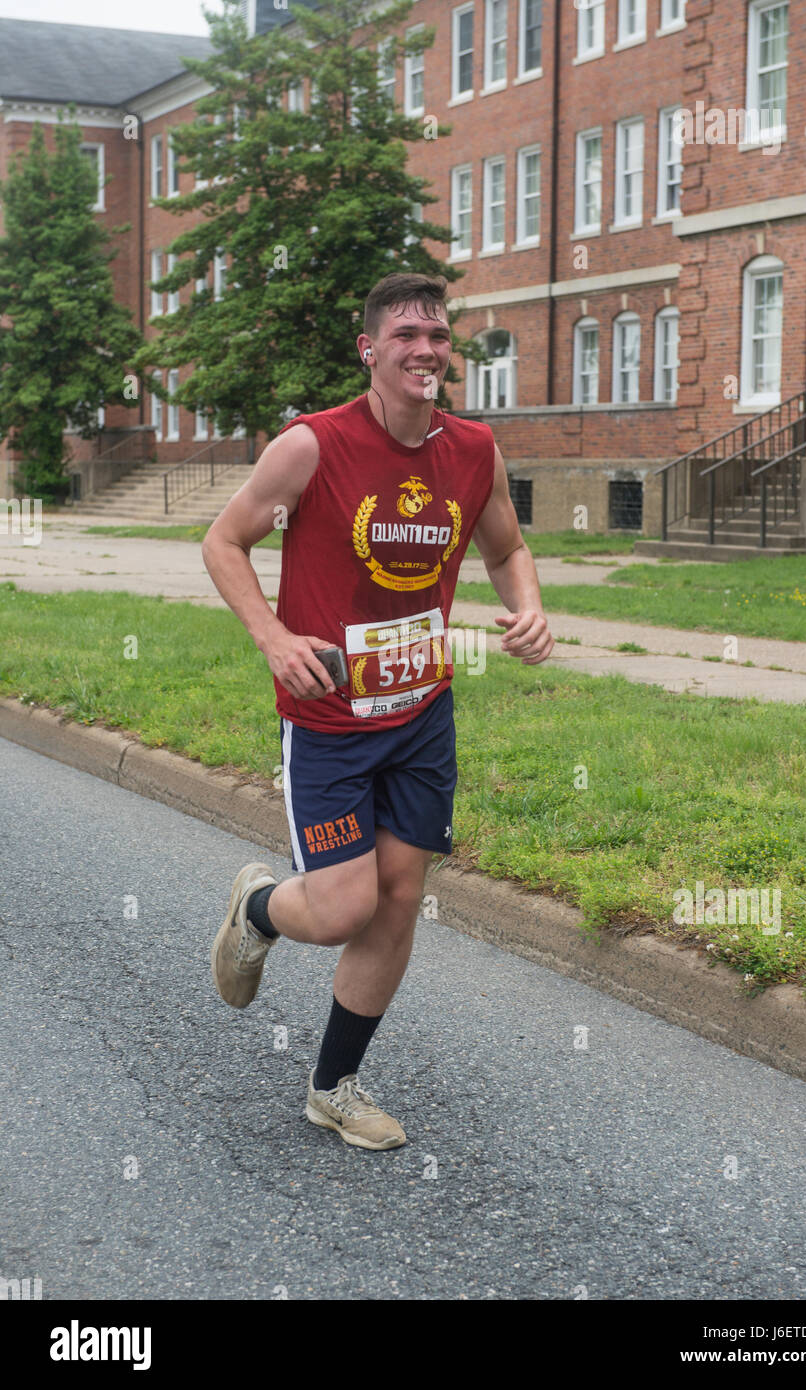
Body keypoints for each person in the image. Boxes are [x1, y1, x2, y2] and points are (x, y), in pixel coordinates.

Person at [202, 272, 554, 1150]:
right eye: (405, 334)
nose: (425, 349)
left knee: (398, 900)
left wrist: (529, 605)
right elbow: (224, 541)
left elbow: (506, 546)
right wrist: (275, 638)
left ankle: (333, 1086)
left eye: (437, 334)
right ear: (370, 350)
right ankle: (257, 910)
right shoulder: (310, 447)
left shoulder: (473, 450)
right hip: (328, 714)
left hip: (421, 710)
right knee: (339, 909)